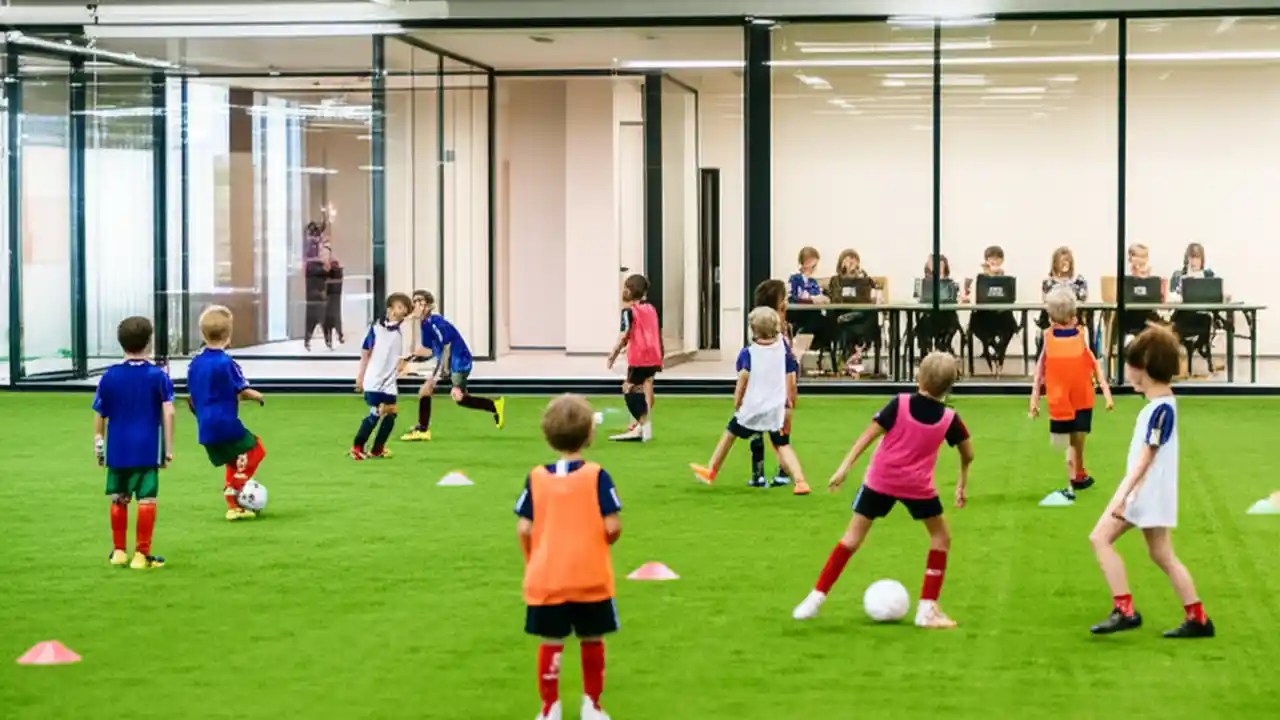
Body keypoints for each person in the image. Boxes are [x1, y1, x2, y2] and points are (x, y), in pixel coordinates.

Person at [791, 352, 973, 629]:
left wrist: (844, 467)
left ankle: (814, 599)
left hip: (880, 480)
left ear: (918, 377)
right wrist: (962, 480)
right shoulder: (950, 418)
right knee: (940, 538)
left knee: (850, 540)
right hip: (917, 486)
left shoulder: (898, 404)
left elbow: (867, 436)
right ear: (950, 385)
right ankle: (927, 609)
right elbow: (968, 453)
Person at [1087, 325, 1214, 639]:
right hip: (1150, 493)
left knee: (1099, 539)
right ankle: (1197, 617)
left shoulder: (1159, 411)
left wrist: (1123, 497)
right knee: (1162, 554)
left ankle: (1124, 609)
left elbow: (1145, 459)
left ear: (1142, 369)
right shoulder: (1161, 407)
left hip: (1143, 494)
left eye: (1129, 366)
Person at [516, 394, 622, 720]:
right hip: (589, 575)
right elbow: (612, 525)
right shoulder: (597, 475)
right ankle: (592, 704)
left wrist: (534, 557)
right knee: (592, 639)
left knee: (551, 641)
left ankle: (550, 708)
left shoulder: (536, 477)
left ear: (547, 435)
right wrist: (596, 541)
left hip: (547, 576)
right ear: (591, 433)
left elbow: (524, 527)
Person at [689, 307, 809, 494]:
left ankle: (711, 470)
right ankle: (800, 481)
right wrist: (790, 401)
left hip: (752, 407)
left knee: (729, 434)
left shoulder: (748, 353)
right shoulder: (783, 352)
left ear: (752, 330)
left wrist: (738, 401)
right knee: (782, 444)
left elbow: (743, 380)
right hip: (776, 408)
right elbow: (790, 379)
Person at [93, 316, 175, 570]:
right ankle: (142, 555)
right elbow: (169, 412)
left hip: (117, 448)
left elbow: (100, 413)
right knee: (147, 499)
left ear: (121, 343)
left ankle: (119, 551)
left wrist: (99, 444)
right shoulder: (158, 375)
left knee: (118, 497)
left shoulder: (109, 376)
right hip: (147, 447)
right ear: (149, 342)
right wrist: (168, 449)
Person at [1030, 288, 1114, 502]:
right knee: (1075, 437)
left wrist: (1035, 397)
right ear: (1074, 315)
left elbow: (1040, 368)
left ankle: (1078, 472)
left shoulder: (1073, 336)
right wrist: (1106, 392)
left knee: (1076, 436)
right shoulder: (1055, 337)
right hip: (1074, 396)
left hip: (1068, 397)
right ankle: (1073, 478)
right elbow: (1095, 364)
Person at [187, 306, 267, 521]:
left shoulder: (195, 363)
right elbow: (242, 389)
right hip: (226, 423)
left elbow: (194, 396)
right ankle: (236, 488)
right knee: (256, 449)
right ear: (228, 335)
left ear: (203, 334)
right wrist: (258, 396)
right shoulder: (226, 362)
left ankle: (233, 507)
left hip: (205, 425)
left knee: (234, 461)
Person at [400, 290, 506, 441]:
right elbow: (427, 349)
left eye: (419, 301)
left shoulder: (436, 322)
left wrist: (445, 370)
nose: (415, 305)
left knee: (441, 393)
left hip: (458, 362)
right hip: (449, 362)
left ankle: (423, 430)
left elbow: (447, 346)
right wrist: (407, 358)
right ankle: (494, 406)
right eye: (414, 301)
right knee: (450, 396)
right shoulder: (425, 324)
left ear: (428, 306)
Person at [747, 279, 809, 494]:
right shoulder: (772, 332)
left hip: (772, 391)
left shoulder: (775, 329)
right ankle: (769, 472)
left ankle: (766, 473)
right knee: (775, 434)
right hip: (776, 390)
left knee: (773, 434)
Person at [352, 292, 413, 460]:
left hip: (390, 381)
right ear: (390, 309)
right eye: (400, 307)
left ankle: (377, 449)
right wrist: (360, 376)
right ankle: (357, 447)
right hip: (375, 379)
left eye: (405, 309)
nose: (403, 312)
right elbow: (366, 352)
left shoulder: (398, 331)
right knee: (376, 412)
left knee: (391, 414)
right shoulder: (377, 329)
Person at [605, 274, 663, 443]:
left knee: (629, 389)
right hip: (654, 355)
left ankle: (643, 425)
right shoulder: (651, 309)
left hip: (640, 356)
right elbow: (656, 331)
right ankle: (642, 425)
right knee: (646, 385)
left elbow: (624, 335)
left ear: (628, 291)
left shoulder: (629, 312)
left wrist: (613, 355)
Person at [965, 245, 1019, 376]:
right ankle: (992, 351)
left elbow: (1010, 298)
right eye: (991, 259)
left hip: (1000, 315)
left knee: (1010, 326)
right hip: (983, 316)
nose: (994, 262)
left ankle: (999, 354)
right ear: (987, 260)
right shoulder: (977, 276)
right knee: (980, 328)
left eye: (998, 259)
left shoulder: (1005, 277)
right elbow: (970, 296)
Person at [826, 249, 879, 373]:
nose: (851, 263)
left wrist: (861, 278)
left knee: (871, 312)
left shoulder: (864, 280)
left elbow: (866, 300)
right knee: (858, 316)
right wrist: (846, 275)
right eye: (848, 260)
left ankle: (853, 316)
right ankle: (852, 317)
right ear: (841, 263)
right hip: (841, 315)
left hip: (861, 315)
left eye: (854, 260)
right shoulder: (835, 280)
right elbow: (836, 299)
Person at [1169, 242, 1218, 371]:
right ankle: (1184, 353)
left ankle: (1200, 345)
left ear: (1202, 260)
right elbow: (1171, 295)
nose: (1194, 261)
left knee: (1207, 319)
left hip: (1201, 314)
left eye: (1197, 257)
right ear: (1187, 259)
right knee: (1176, 323)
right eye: (1191, 257)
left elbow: (1214, 294)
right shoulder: (1178, 275)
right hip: (1182, 315)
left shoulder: (1208, 275)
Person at [1037, 246, 1090, 347]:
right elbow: (1045, 301)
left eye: (1067, 260)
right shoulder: (1048, 282)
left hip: (1074, 318)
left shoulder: (1079, 281)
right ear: (1055, 263)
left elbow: (1083, 298)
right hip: (1053, 319)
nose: (1064, 264)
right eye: (1061, 261)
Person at [915, 254, 962, 356]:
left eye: (940, 265)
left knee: (949, 324)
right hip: (930, 318)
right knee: (922, 326)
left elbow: (957, 299)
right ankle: (926, 355)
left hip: (947, 318)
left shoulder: (952, 282)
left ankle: (944, 350)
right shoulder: (923, 283)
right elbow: (917, 299)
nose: (937, 268)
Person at [303, 250, 329, 352]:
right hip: (316, 299)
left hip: (315, 299)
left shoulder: (313, 268)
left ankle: (309, 341)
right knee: (318, 321)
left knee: (315, 322)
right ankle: (326, 341)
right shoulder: (314, 268)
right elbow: (324, 273)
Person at [322, 248, 345, 348]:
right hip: (327, 297)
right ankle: (330, 338)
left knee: (334, 317)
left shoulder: (335, 270)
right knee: (328, 319)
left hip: (333, 297)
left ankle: (337, 335)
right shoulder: (324, 269)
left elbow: (336, 278)